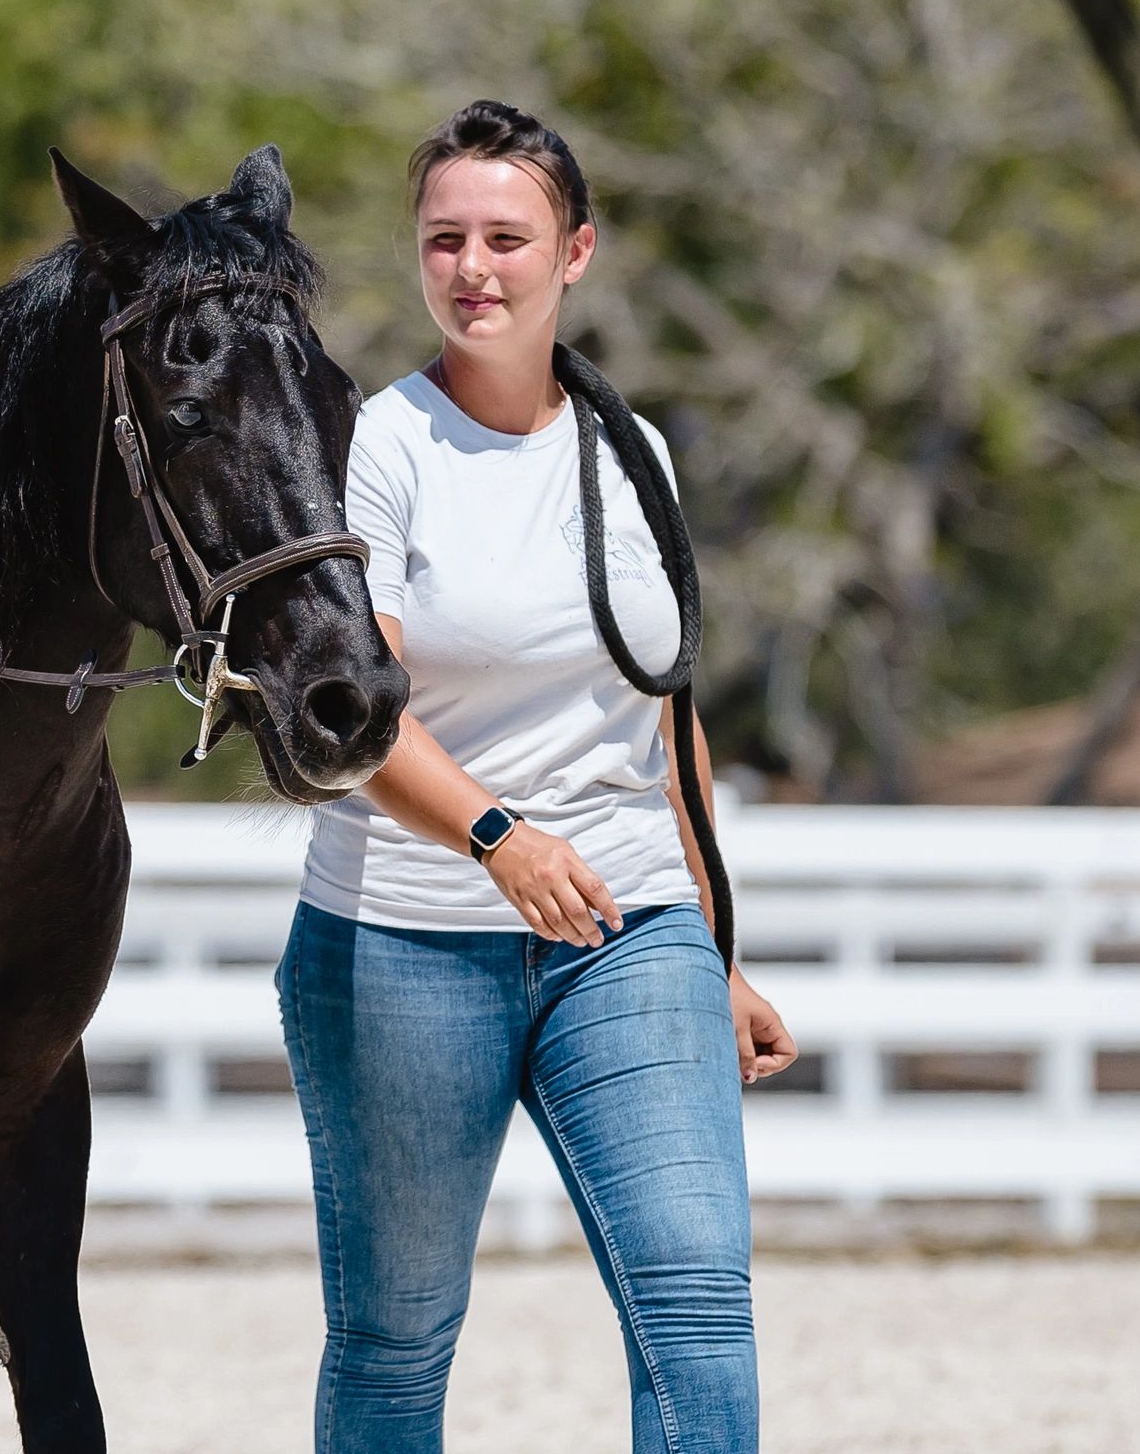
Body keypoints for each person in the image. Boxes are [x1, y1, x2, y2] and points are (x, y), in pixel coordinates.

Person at [274, 99, 797, 1451]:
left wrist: (714, 949)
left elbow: (661, 712)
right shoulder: (373, 447)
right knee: (395, 1341)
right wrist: (498, 837)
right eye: (444, 237)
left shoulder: (637, 453)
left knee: (697, 1303)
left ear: (576, 254)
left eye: (507, 236)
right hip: (402, 942)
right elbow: (351, 712)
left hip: (629, 933)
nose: (473, 266)